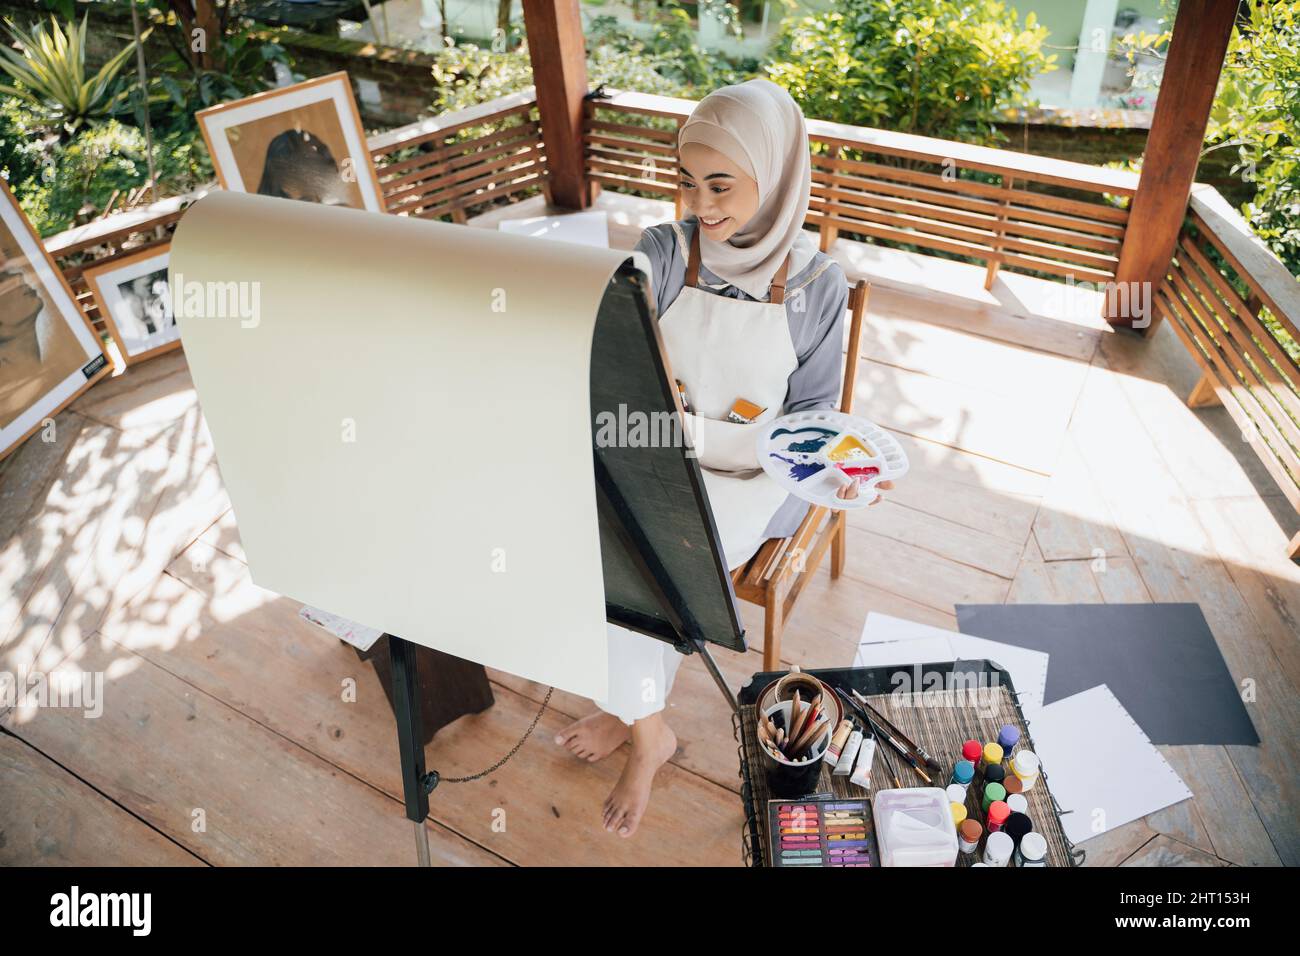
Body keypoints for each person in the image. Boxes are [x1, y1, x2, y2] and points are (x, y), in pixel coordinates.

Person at [554, 79, 892, 837]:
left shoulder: (815, 285)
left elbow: (812, 418)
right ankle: (639, 716)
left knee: (651, 565)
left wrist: (843, 475)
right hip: (653, 451)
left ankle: (643, 729)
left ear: (773, 177)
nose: (699, 204)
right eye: (688, 181)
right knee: (594, 542)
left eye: (720, 185)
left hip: (751, 479)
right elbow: (616, 343)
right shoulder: (665, 250)